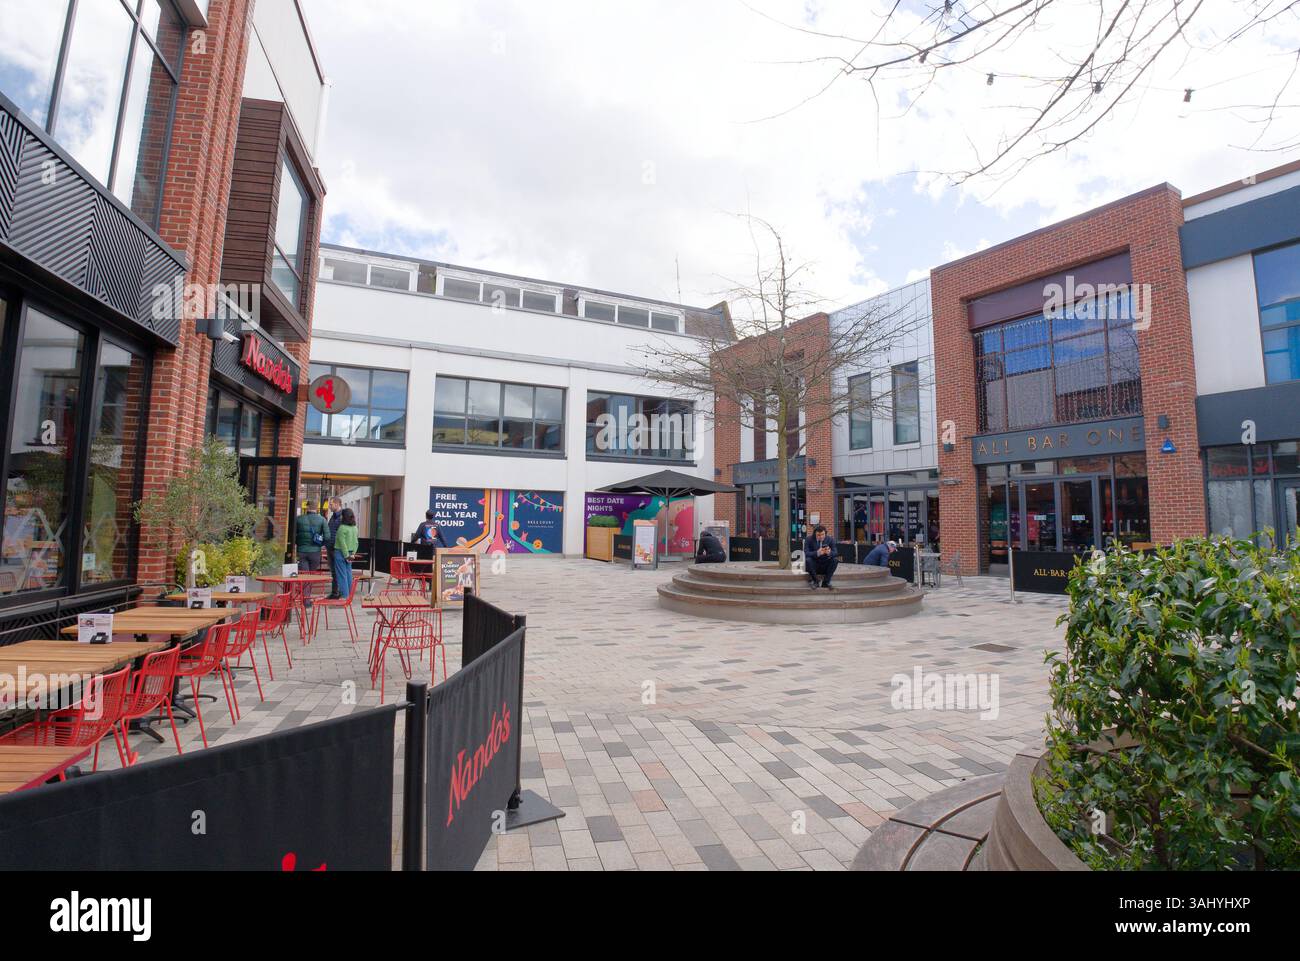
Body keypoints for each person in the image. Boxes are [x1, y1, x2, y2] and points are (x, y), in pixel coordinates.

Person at [332, 508, 359, 603]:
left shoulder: (342, 528)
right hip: (351, 553)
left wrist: (346, 555)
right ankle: (350, 595)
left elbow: (342, 543)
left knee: (341, 575)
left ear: (344, 516)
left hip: (340, 553)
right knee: (348, 574)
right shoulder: (355, 528)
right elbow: (356, 542)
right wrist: (352, 554)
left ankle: (344, 596)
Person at [294, 503, 328, 572]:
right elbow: (327, 537)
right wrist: (320, 544)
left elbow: (293, 534)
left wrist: (298, 542)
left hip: (301, 550)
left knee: (304, 573)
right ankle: (309, 583)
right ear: (316, 509)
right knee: (312, 574)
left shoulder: (299, 519)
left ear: (307, 508)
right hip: (315, 551)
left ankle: (305, 582)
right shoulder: (322, 520)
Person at [803, 524, 839, 590]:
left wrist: (829, 552)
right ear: (815, 534)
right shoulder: (809, 539)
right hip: (814, 565)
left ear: (825, 533)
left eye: (822, 534)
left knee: (835, 560)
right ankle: (815, 581)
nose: (821, 537)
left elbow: (835, 553)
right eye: (818, 535)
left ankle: (826, 582)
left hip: (825, 564)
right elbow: (806, 553)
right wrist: (817, 553)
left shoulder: (830, 539)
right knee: (808, 560)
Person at [325, 497, 343, 598]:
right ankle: (335, 592)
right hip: (330, 547)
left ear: (337, 504)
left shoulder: (341, 517)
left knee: (337, 571)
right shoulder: (333, 517)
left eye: (331, 504)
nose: (329, 506)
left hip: (336, 549)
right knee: (333, 571)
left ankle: (337, 592)